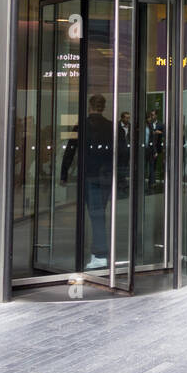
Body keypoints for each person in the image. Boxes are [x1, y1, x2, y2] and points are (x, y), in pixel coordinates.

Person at [60, 93, 115, 270]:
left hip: (90, 175)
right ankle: (98, 252)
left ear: (90, 107)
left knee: (96, 214)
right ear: (103, 107)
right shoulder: (112, 127)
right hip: (106, 175)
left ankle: (100, 254)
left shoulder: (82, 126)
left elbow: (70, 150)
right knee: (98, 211)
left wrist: (64, 173)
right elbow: (121, 153)